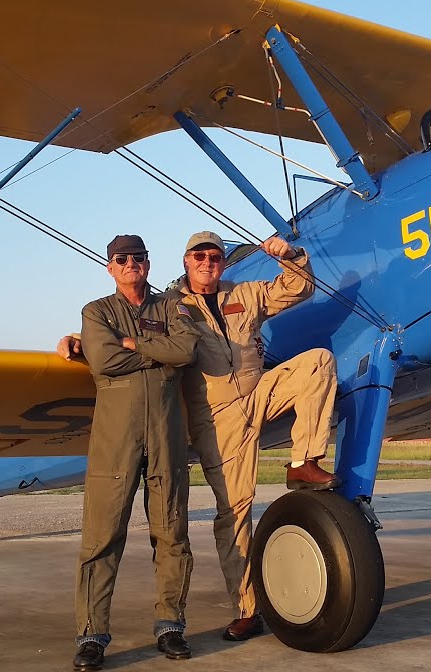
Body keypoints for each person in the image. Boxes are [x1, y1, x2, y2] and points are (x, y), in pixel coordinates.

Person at [173, 230, 339, 643]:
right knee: (234, 513)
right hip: (217, 417)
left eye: (214, 255)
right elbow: (135, 329)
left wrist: (292, 255)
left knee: (318, 361)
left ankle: (304, 462)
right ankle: (247, 610)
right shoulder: (170, 307)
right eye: (199, 255)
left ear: (222, 262)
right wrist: (83, 342)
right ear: (186, 261)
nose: (207, 261)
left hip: (258, 391)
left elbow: (297, 288)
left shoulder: (244, 293)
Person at [67, 234, 199, 672]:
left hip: (165, 434)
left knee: (172, 531)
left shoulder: (171, 305)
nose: (130, 264)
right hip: (116, 438)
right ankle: (91, 635)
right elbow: (103, 361)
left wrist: (131, 345)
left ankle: (170, 625)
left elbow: (185, 349)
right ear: (110, 266)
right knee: (102, 536)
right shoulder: (96, 311)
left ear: (147, 263)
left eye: (138, 258)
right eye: (121, 259)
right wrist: (154, 354)